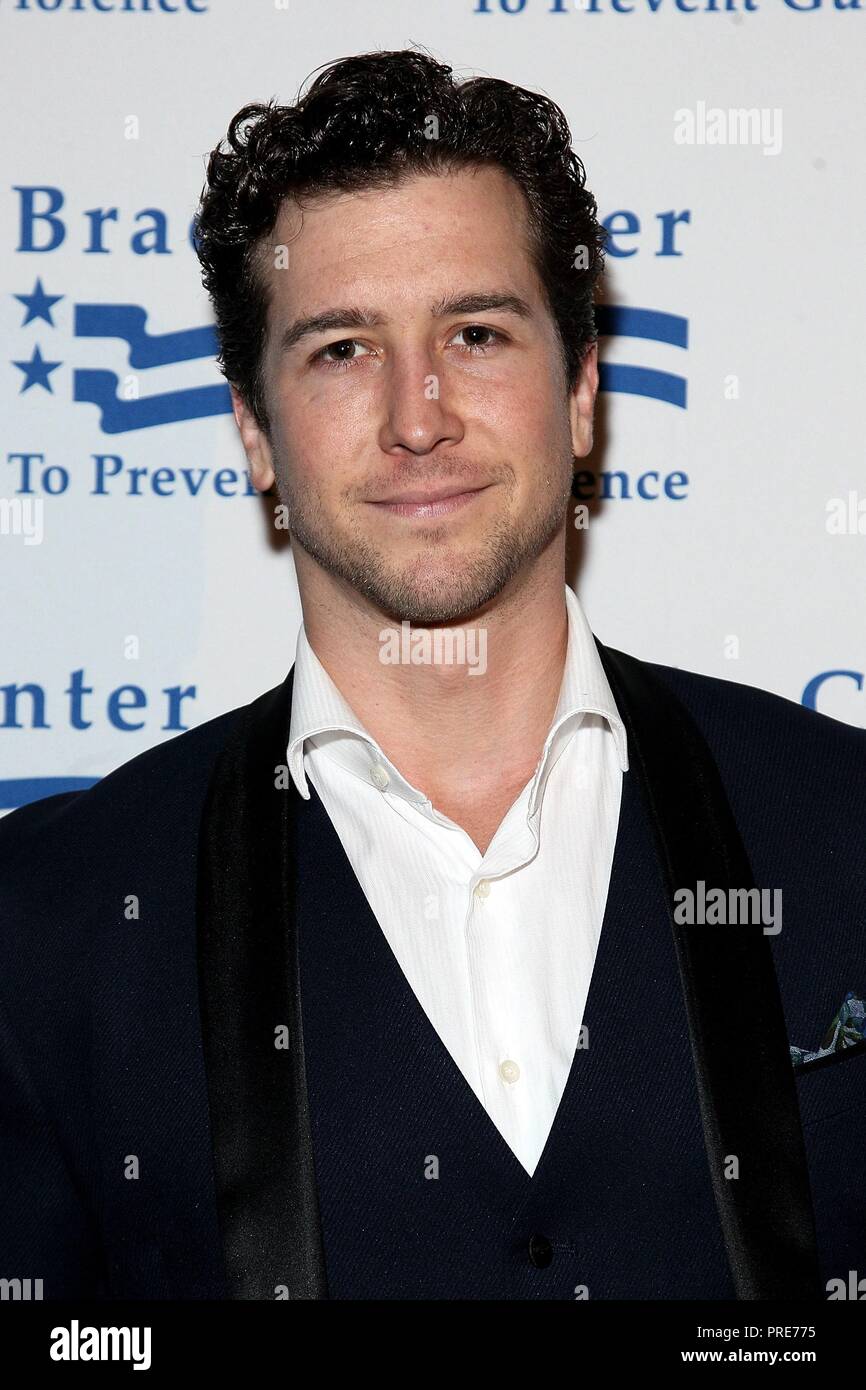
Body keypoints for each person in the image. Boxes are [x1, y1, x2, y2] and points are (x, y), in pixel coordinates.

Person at [1, 47, 865, 1302]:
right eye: (342, 348)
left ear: (577, 396)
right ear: (254, 430)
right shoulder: (50, 923)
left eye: (474, 332)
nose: (419, 415)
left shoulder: (840, 826)